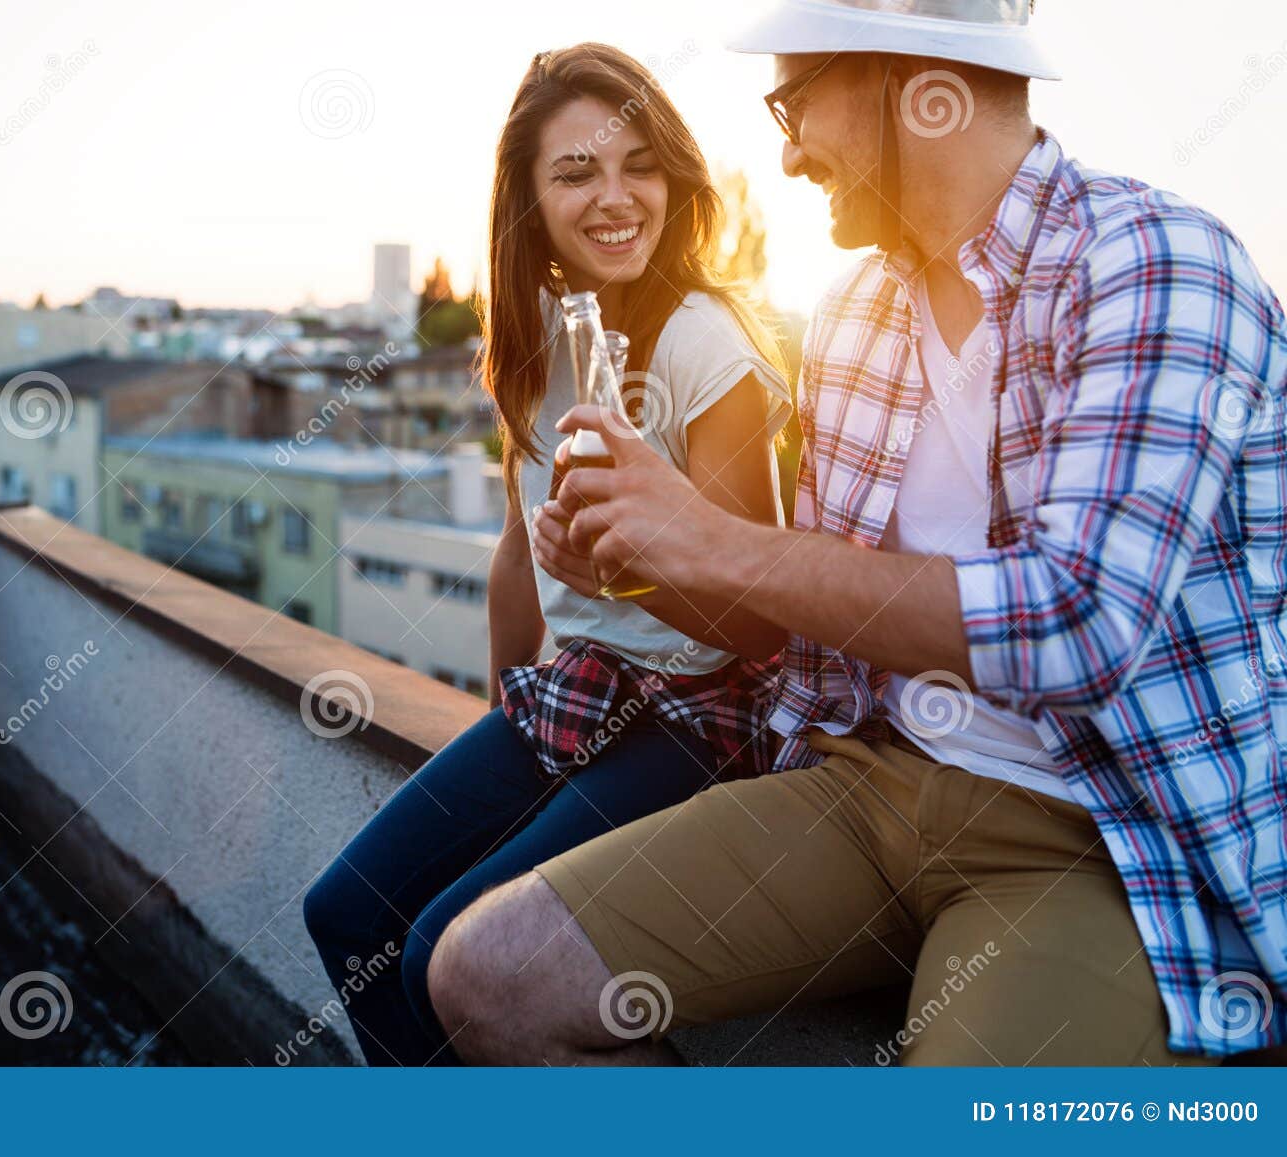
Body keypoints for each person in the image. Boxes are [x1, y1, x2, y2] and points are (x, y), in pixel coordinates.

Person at [426, 0, 1287, 1065]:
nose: (787, 155)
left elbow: (1079, 621)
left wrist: (706, 538)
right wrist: (641, 563)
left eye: (793, 105)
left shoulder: (1158, 263)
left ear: (911, 83)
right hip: (863, 782)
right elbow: (807, 622)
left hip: (1088, 831)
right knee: (486, 973)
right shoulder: (851, 314)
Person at [302, 42, 793, 1065]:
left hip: (698, 718)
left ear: (675, 179)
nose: (616, 197)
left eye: (639, 166)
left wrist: (630, 574)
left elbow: (756, 622)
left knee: (438, 947)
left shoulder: (704, 342)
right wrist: (502, 727)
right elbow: (518, 552)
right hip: (574, 694)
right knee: (345, 912)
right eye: (576, 172)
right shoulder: (534, 337)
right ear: (527, 198)